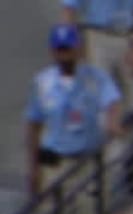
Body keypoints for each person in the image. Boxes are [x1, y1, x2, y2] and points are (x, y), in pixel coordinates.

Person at [25, 24, 122, 204]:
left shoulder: (95, 78)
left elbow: (112, 98)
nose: (64, 56)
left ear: (78, 49)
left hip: (87, 161)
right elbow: (33, 126)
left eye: (68, 50)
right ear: (53, 52)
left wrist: (113, 120)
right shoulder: (42, 83)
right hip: (55, 163)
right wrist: (33, 168)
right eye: (60, 50)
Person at [61, 0, 133, 113]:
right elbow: (69, 10)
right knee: (97, 96)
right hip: (97, 36)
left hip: (127, 37)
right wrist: (73, 45)